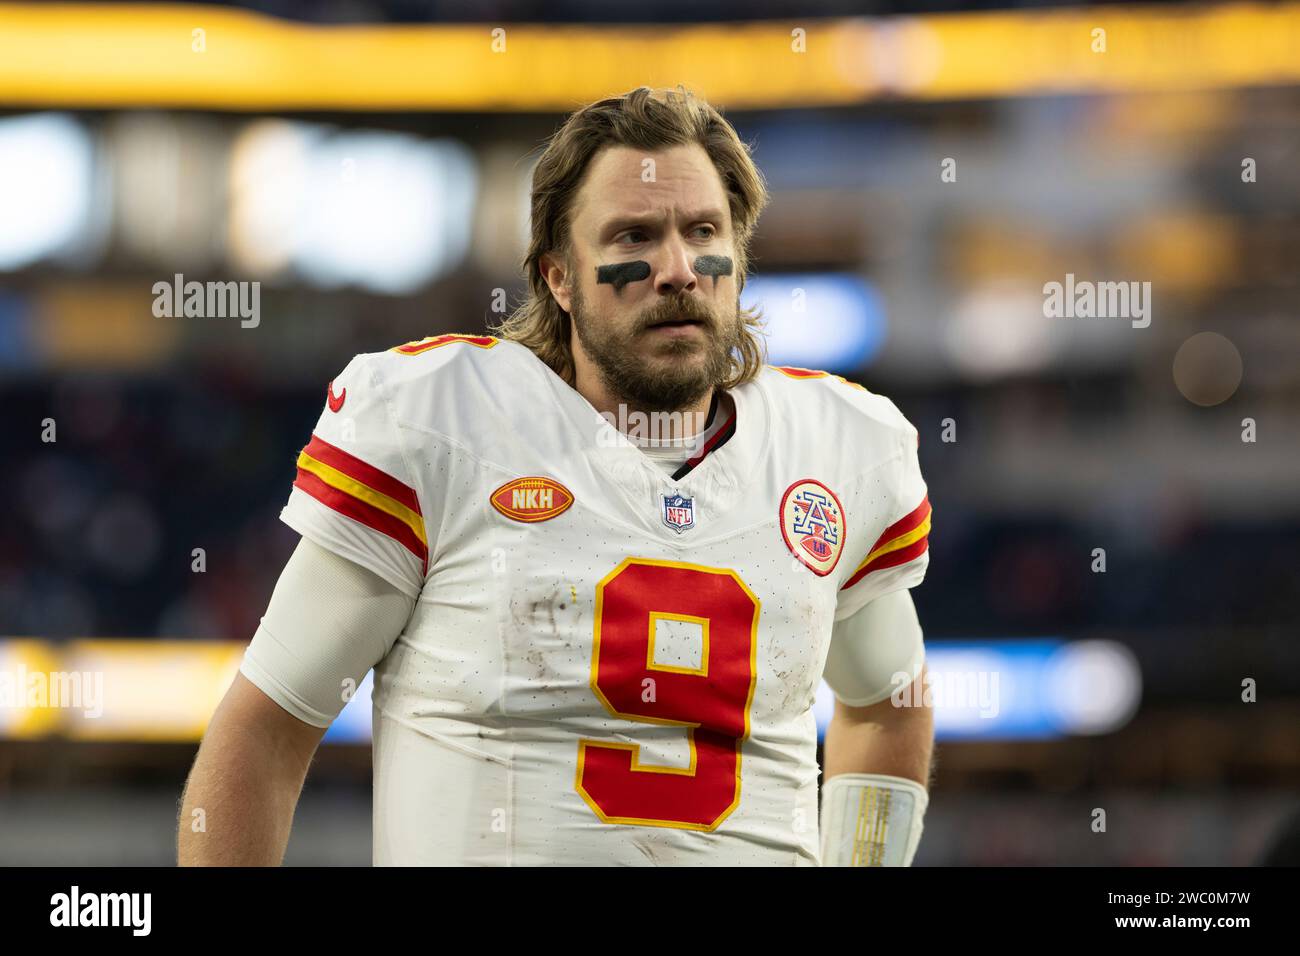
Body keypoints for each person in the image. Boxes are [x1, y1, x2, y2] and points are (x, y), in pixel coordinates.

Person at [178, 86, 934, 866]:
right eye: (633, 236)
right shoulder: (443, 427)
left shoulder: (838, 449)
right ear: (560, 279)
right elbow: (267, 731)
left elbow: (888, 706)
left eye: (702, 231)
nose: (677, 268)